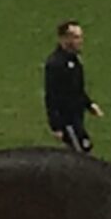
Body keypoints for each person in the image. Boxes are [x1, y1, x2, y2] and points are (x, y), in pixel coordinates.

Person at [44, 21, 101, 154]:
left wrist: (89, 104)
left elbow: (76, 89)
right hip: (67, 121)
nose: (80, 41)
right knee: (82, 153)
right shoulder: (56, 64)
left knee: (80, 154)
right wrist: (56, 126)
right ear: (65, 39)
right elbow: (51, 96)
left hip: (76, 118)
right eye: (76, 37)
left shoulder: (74, 60)